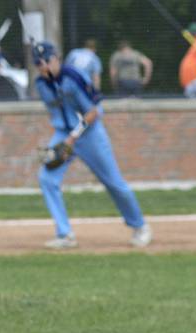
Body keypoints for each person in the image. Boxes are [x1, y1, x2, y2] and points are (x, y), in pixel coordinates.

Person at [31, 42, 151, 249]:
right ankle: (65, 234)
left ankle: (140, 226)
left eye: (46, 61)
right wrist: (61, 141)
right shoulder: (41, 84)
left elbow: (93, 112)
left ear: (56, 58)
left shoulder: (74, 77)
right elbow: (57, 112)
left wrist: (73, 137)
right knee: (47, 178)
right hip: (63, 134)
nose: (43, 67)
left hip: (89, 134)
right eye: (38, 63)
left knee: (113, 182)